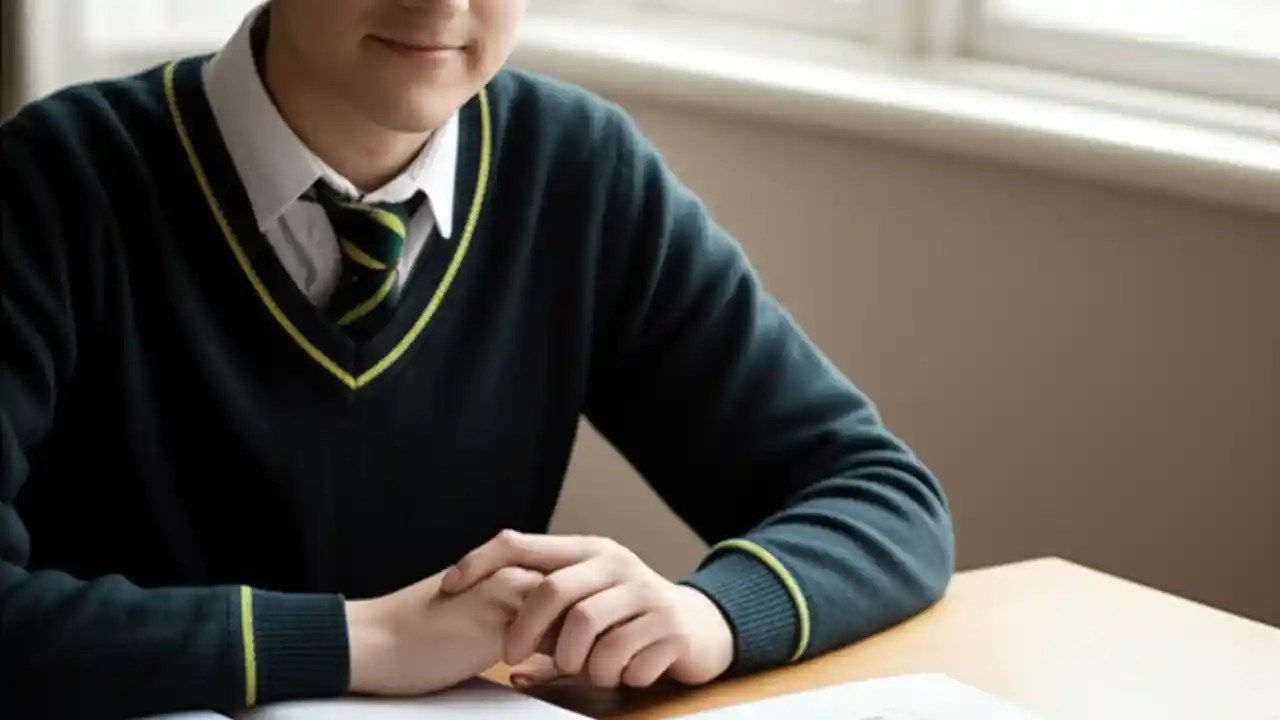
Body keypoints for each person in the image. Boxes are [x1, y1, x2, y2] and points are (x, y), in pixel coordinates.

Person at [0, 1, 955, 718]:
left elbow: (880, 493)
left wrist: (709, 615)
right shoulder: (54, 180)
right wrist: (360, 639)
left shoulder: (578, 172)